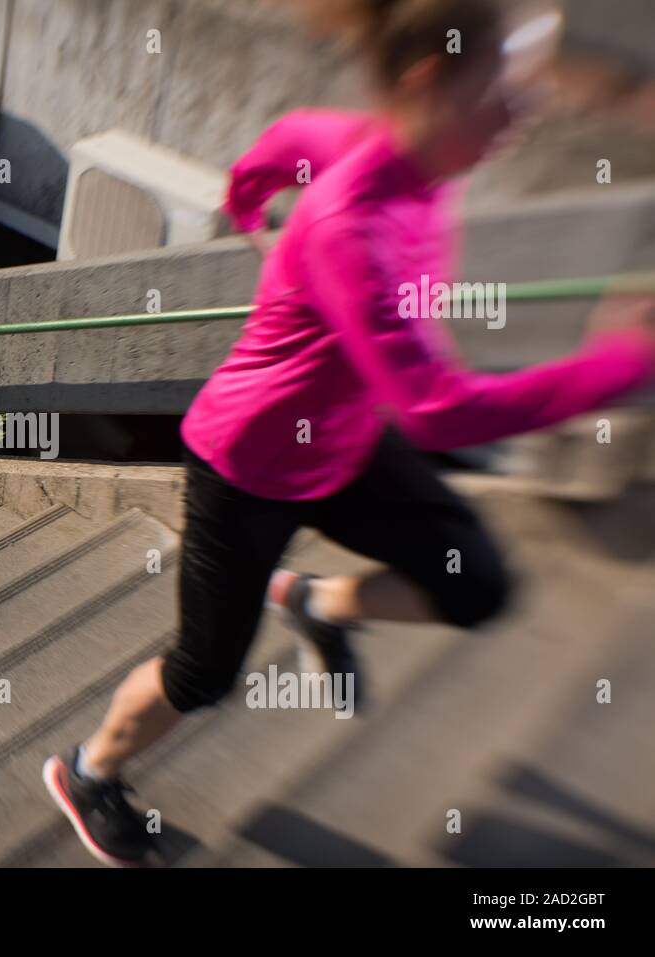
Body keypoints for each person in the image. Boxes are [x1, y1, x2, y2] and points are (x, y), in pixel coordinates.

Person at [43, 0, 655, 867]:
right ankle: (87, 770)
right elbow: (438, 409)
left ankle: (313, 600)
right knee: (204, 674)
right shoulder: (350, 221)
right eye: (507, 87)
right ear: (429, 80)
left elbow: (274, 150)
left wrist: (252, 211)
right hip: (248, 468)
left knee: (475, 585)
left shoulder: (388, 155)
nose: (530, 109)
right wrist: (617, 366)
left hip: (343, 445)